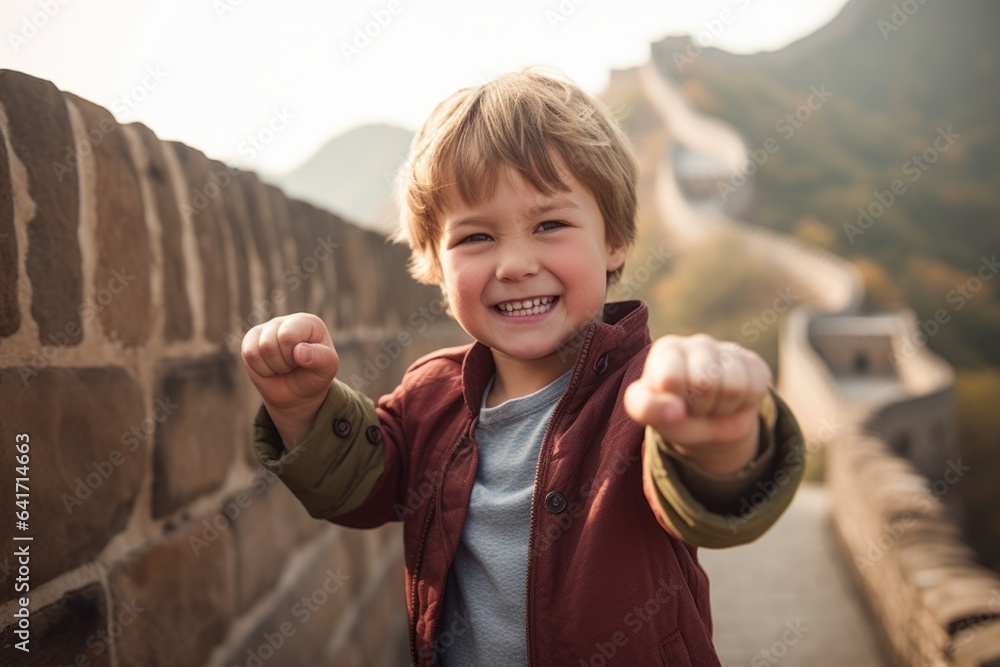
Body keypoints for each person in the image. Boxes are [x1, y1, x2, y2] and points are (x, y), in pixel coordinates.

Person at [242, 68, 805, 666]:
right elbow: (360, 488)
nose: (514, 264)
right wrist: (304, 408)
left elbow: (713, 503)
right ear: (434, 261)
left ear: (614, 239)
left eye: (550, 225)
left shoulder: (646, 393)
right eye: (476, 237)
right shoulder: (430, 396)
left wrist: (721, 442)